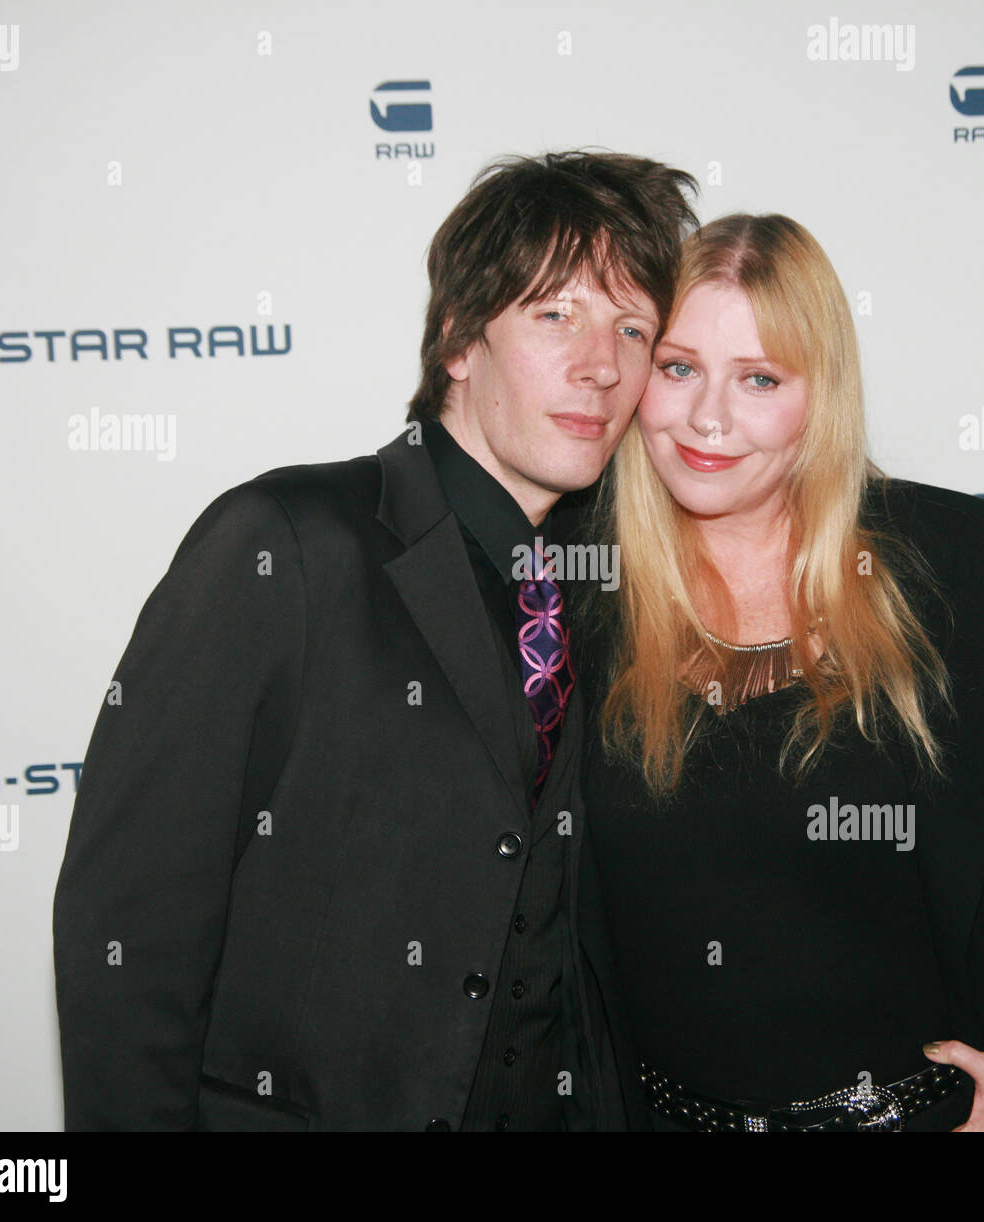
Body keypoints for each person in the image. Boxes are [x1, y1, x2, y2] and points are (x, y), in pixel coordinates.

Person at [52, 150, 700, 1130]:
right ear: (456, 338)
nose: (599, 364)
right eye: (554, 315)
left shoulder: (610, 585)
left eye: (631, 328)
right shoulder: (286, 542)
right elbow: (127, 925)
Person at [574, 213, 984, 1132]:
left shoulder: (970, 564)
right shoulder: (576, 588)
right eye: (678, 367)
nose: (709, 416)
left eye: (759, 379)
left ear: (820, 396)